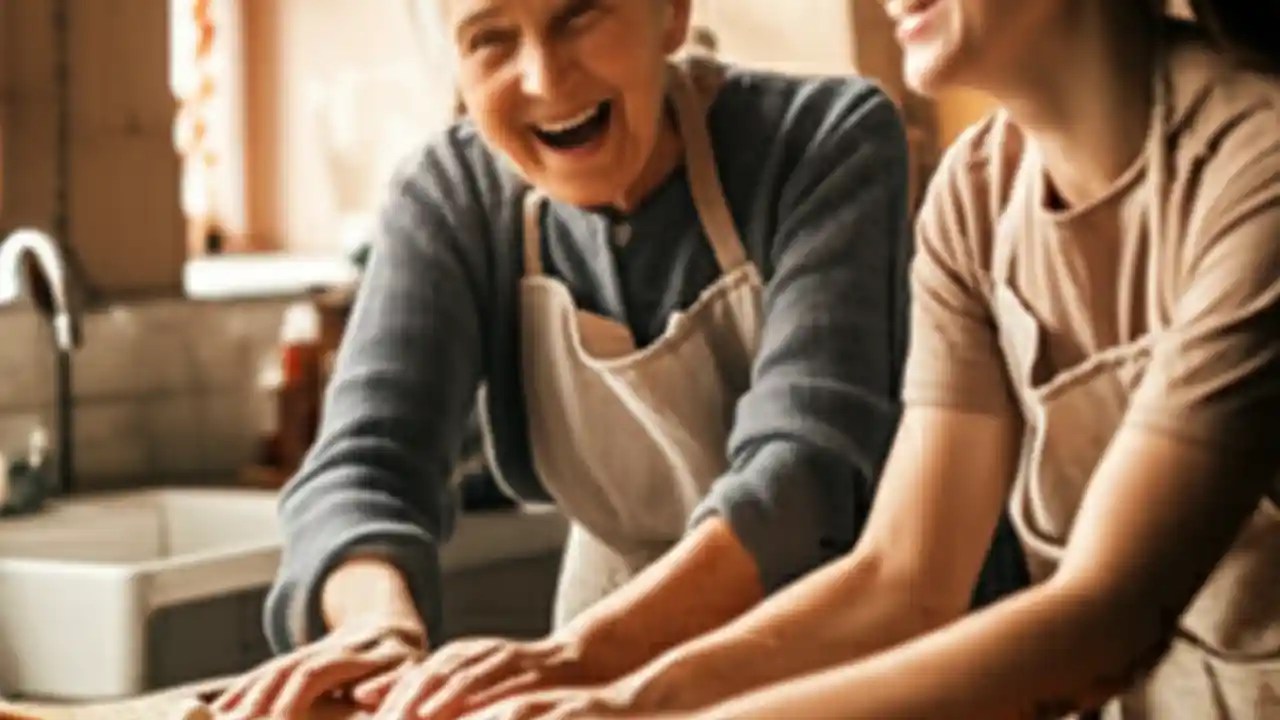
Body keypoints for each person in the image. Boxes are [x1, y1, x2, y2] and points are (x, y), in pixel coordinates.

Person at [449, 0, 1280, 718]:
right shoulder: (975, 197)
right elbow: (906, 579)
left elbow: (1104, 618)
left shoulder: (1258, 170)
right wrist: (619, 694)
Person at [212, 1, 1028, 718]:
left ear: (670, 14)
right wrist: (376, 630)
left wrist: (581, 660)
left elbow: (804, 472)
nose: (544, 76)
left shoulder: (823, 140)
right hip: (612, 626)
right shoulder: (451, 197)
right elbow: (361, 465)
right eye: (490, 39)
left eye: (580, 15)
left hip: (855, 639)